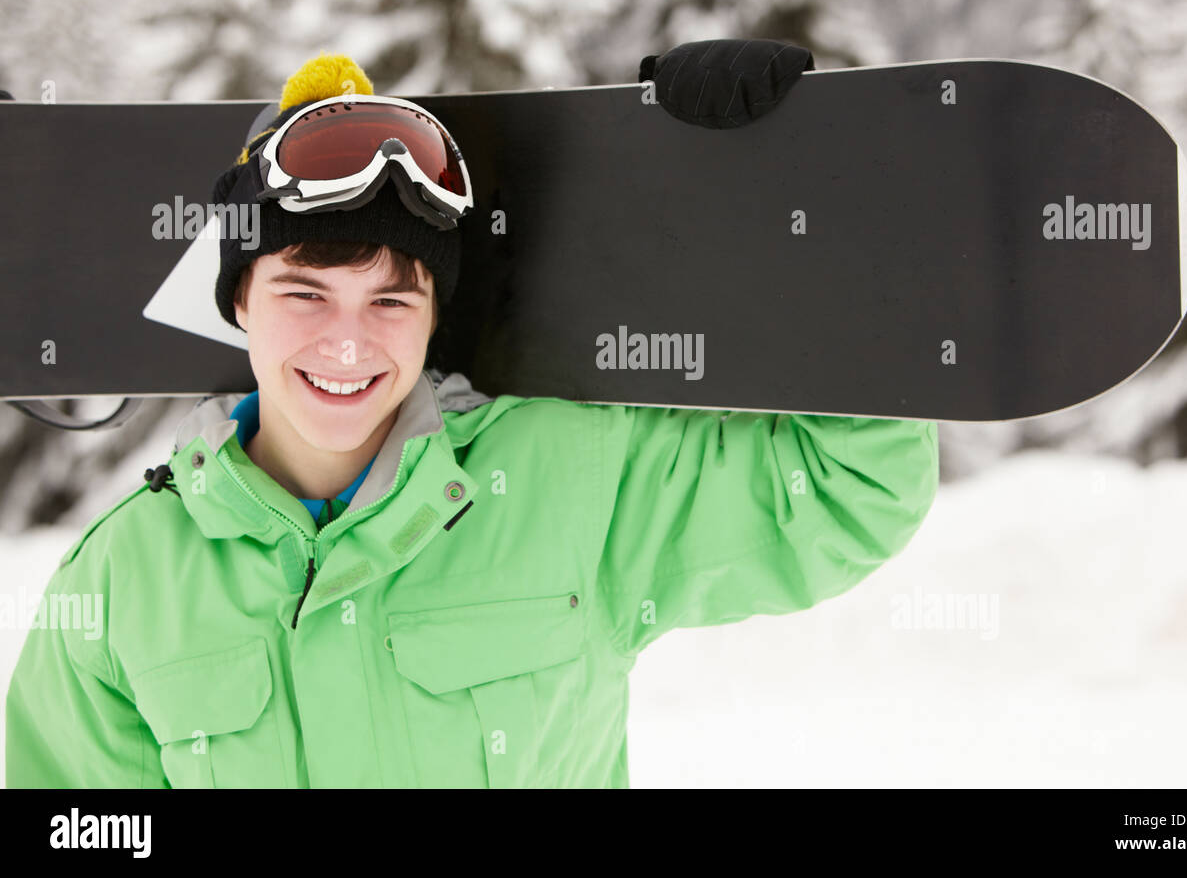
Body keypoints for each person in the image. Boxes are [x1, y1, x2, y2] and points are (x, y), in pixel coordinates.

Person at [5, 46, 939, 788]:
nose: (347, 343)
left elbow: (850, 489)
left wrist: (777, 182)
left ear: (434, 316)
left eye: (390, 302)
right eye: (303, 294)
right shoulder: (126, 581)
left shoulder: (571, 477)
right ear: (239, 302)